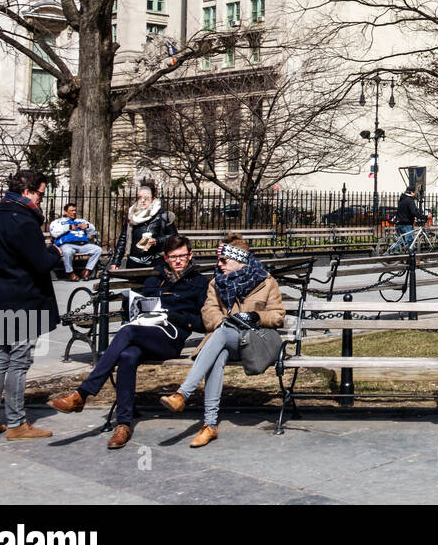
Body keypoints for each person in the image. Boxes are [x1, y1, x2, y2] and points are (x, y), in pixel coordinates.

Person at [49, 233, 209, 448]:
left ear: (190, 256)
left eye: (182, 256)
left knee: (127, 333)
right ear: (165, 258)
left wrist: (176, 316)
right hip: (146, 330)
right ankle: (123, 424)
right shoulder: (155, 279)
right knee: (127, 355)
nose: (178, 261)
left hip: (171, 338)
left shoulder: (199, 283)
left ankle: (83, 393)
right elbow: (139, 306)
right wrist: (131, 305)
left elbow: (202, 322)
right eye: (172, 257)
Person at [160, 233, 285, 447]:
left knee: (218, 341)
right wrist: (224, 324)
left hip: (255, 342)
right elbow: (208, 312)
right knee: (218, 351)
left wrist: (257, 317)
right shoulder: (216, 283)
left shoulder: (266, 282)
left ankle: (183, 393)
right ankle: (209, 425)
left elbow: (277, 316)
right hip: (226, 340)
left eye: (223, 260)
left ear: (239, 260)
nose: (219, 264)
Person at [0, 169, 62, 440]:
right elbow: (41, 263)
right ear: (26, 192)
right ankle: (16, 423)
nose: (41, 200)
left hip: (1, 296)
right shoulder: (24, 222)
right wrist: (55, 251)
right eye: (40, 194)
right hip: (25, 299)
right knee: (19, 362)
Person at [110, 181, 177, 272]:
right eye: (140, 197)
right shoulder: (131, 215)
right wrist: (116, 261)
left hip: (156, 262)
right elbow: (123, 238)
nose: (142, 200)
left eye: (146, 198)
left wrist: (157, 241)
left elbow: (174, 237)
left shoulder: (164, 215)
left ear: (153, 199)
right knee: (135, 286)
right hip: (134, 262)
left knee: (153, 285)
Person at [49, 202, 101, 282]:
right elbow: (54, 232)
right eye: (71, 211)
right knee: (68, 252)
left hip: (82, 244)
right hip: (67, 245)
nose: (74, 212)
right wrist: (68, 227)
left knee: (97, 250)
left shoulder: (81, 221)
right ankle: (70, 272)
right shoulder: (58, 222)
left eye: (75, 210)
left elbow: (92, 231)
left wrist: (87, 226)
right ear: (65, 212)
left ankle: (87, 271)